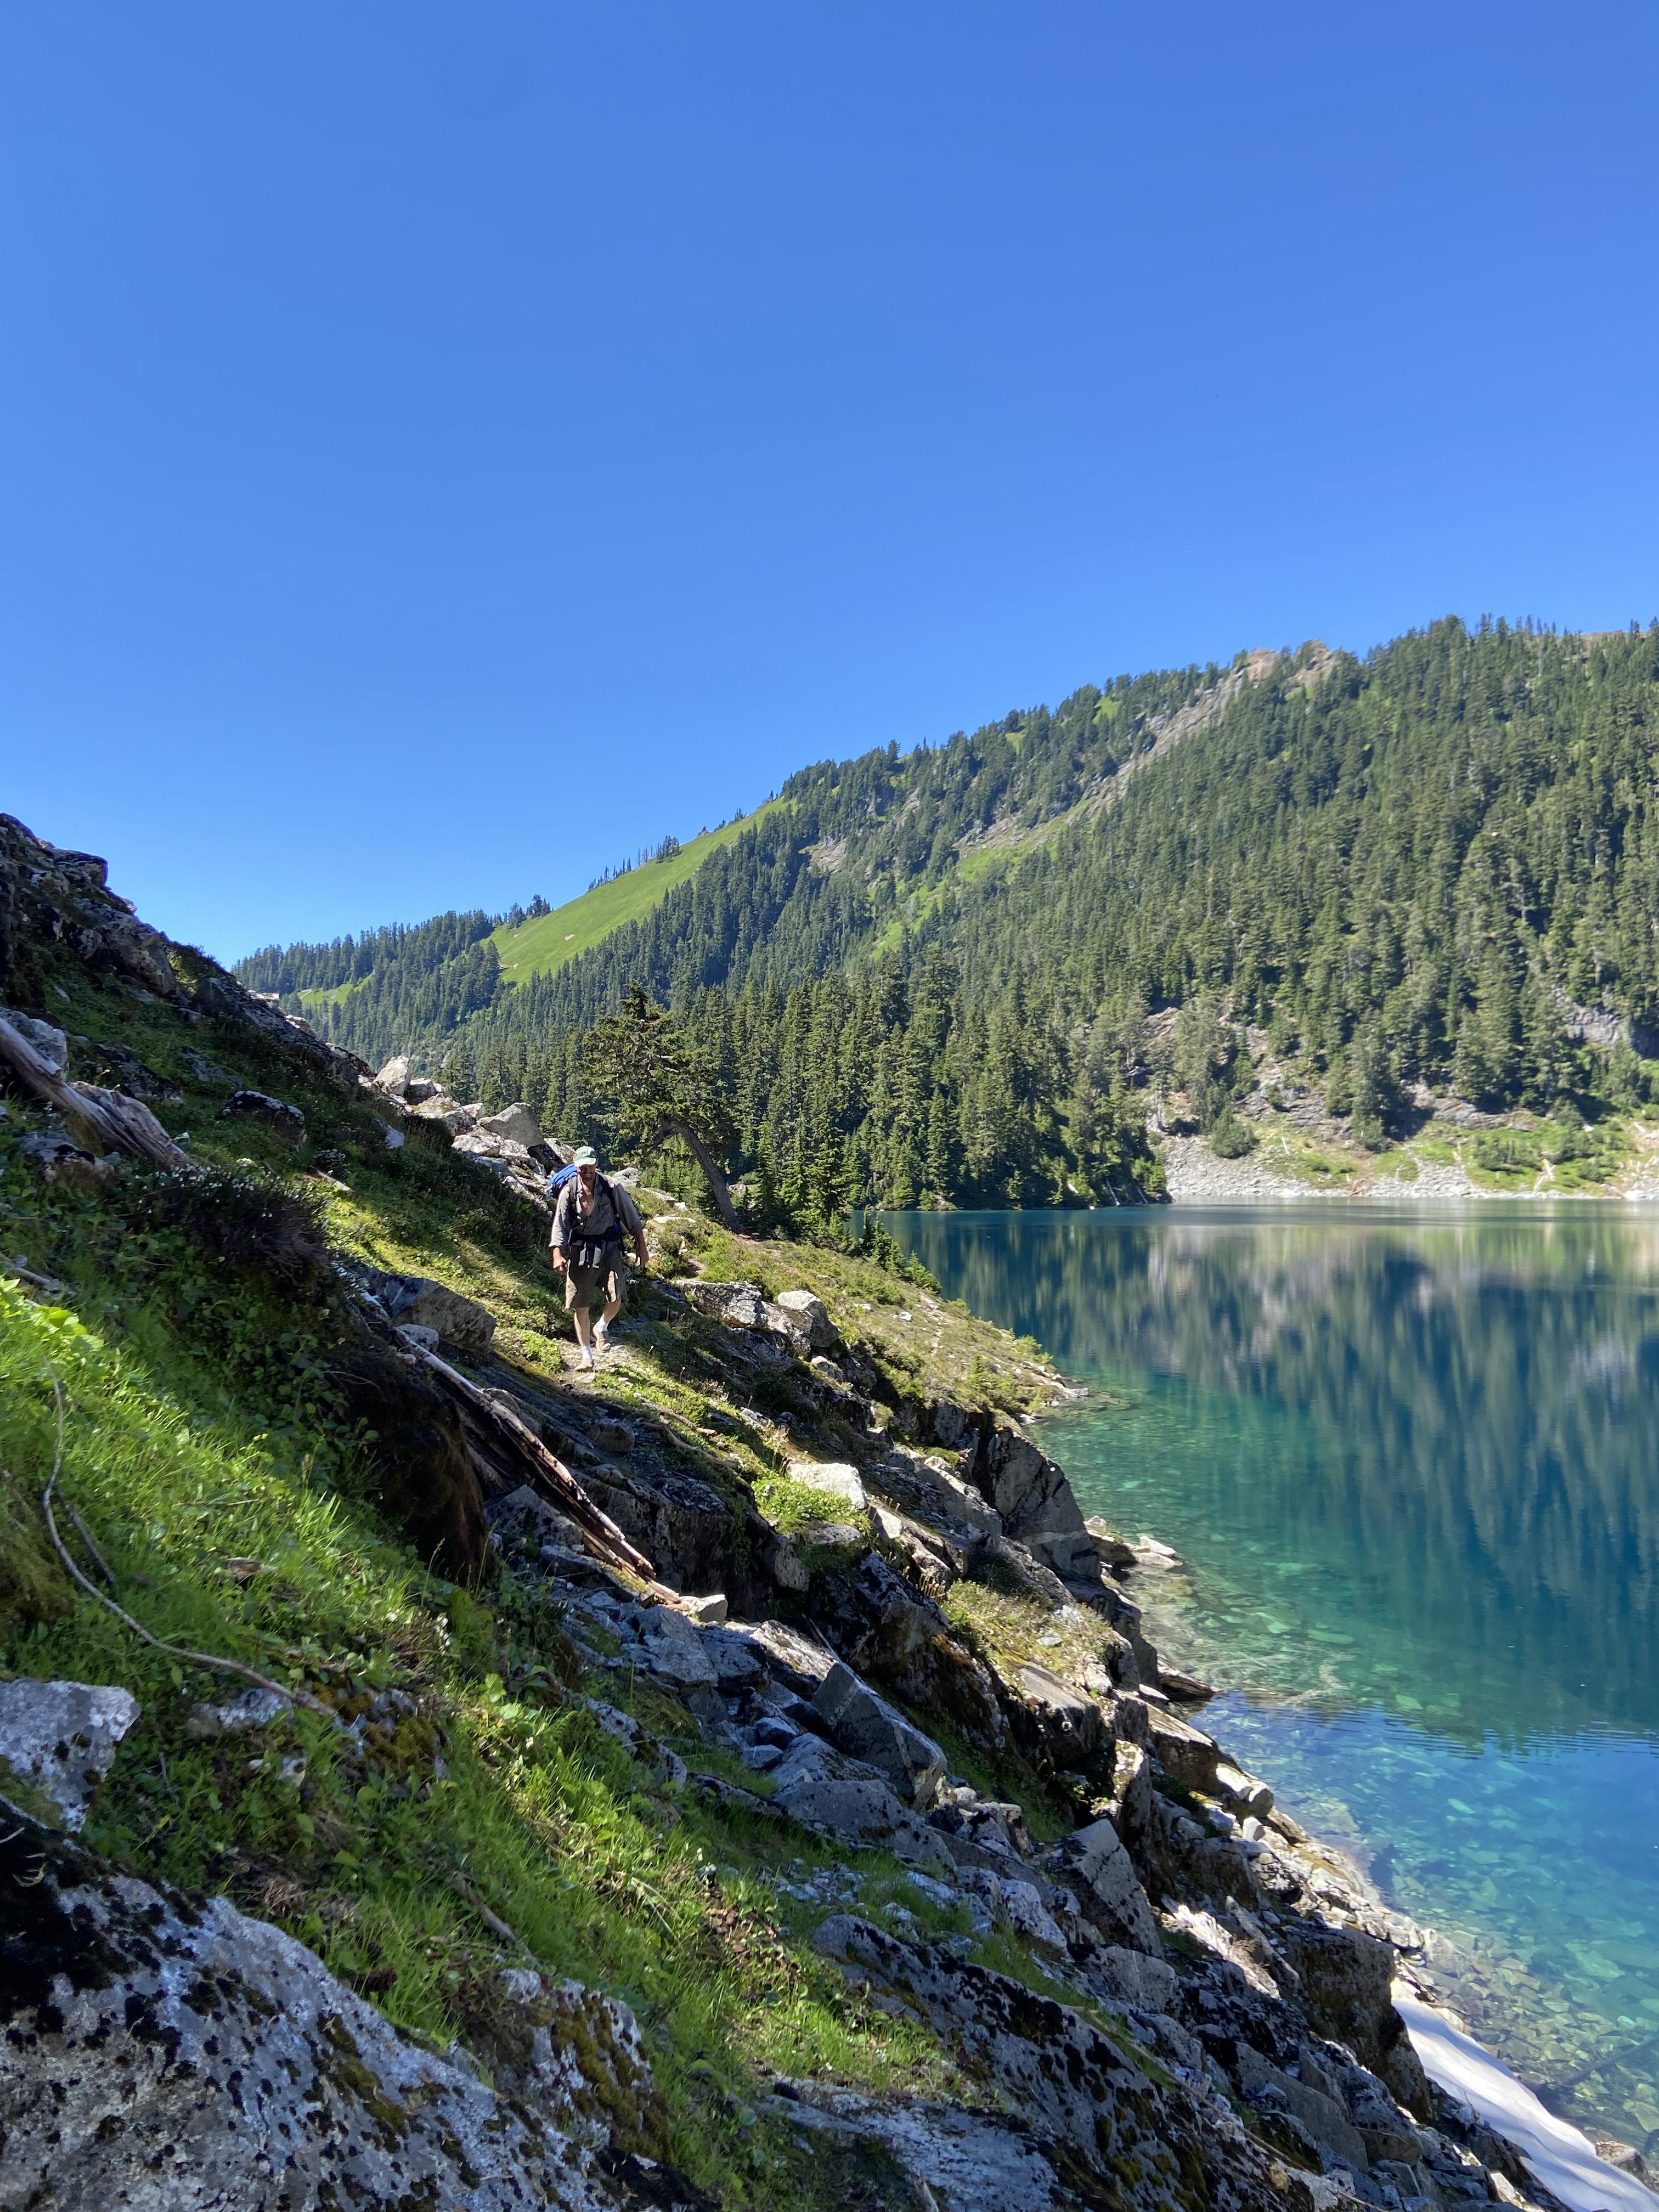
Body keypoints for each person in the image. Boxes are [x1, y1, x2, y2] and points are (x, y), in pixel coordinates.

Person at [549, 1146, 648, 1369]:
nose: (587, 1170)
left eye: (591, 1166)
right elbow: (560, 1225)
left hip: (609, 1247)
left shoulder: (612, 1187)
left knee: (616, 1297)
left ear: (596, 1165)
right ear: (577, 1167)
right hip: (581, 1248)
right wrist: (557, 1253)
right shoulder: (569, 1191)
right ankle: (586, 1356)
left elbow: (632, 1220)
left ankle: (601, 1327)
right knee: (580, 1304)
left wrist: (642, 1248)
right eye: (583, 1167)